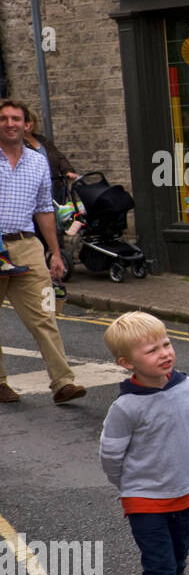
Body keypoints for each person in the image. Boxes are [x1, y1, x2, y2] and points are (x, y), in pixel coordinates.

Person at [99, 312, 189, 575]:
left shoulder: (188, 387)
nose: (164, 353)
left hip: (184, 492)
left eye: (166, 344)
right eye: (151, 350)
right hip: (145, 500)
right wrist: (128, 489)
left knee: (178, 557)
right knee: (158, 567)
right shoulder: (125, 407)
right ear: (127, 363)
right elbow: (110, 455)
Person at [0, 99, 86, 405]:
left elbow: (43, 210)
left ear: (27, 125)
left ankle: (63, 382)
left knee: (44, 315)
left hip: (26, 245)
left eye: (16, 119)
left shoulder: (38, 161)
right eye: (4, 118)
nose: (10, 123)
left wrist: (55, 252)